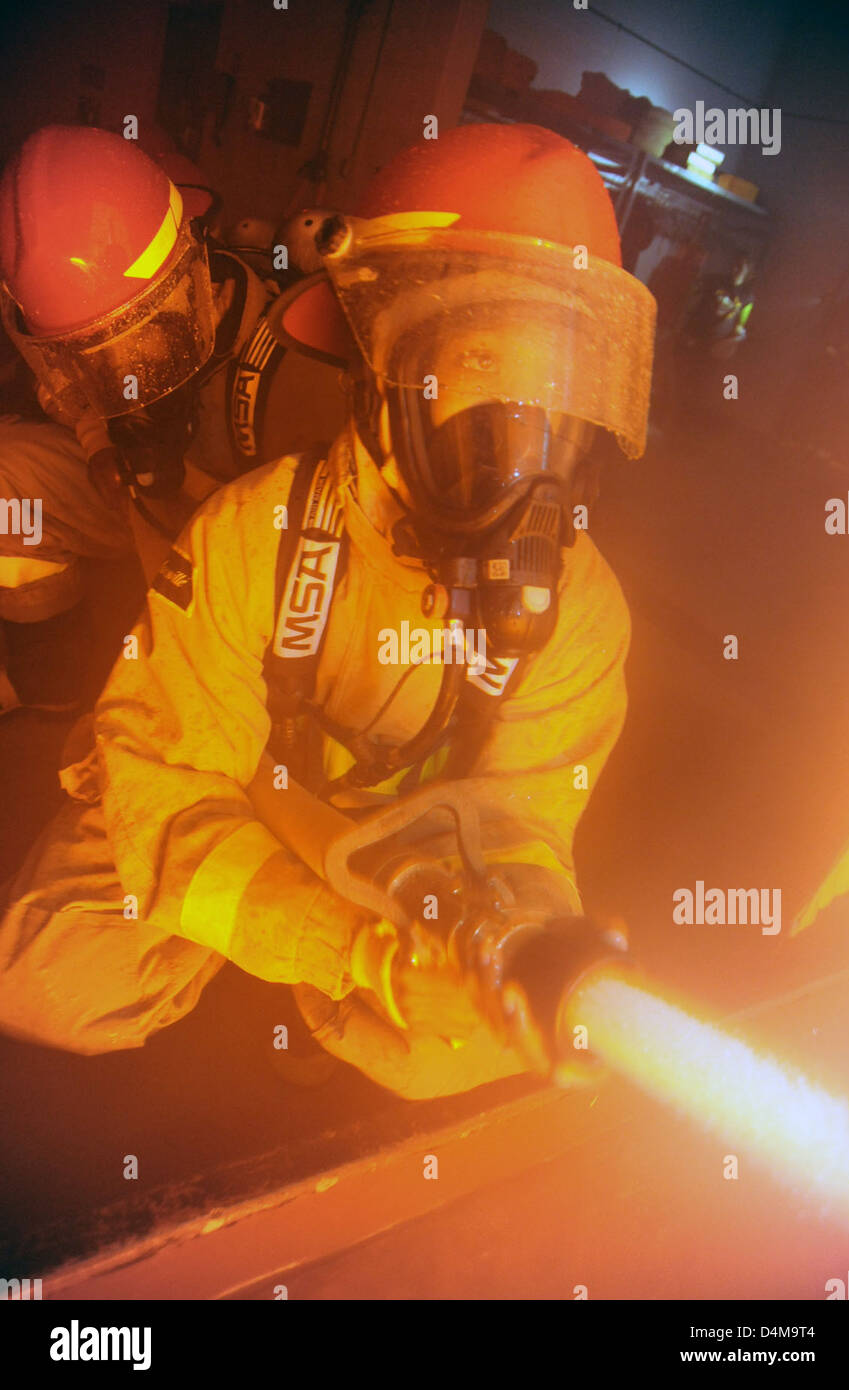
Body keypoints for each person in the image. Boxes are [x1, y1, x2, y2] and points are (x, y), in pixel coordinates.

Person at [0, 123, 656, 1100]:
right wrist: (331, 940)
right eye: (474, 362)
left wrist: (492, 933)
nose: (516, 419)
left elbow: (523, 820)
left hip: (395, 832)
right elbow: (162, 775)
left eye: (545, 373)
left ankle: (307, 980)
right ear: (377, 359)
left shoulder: (584, 613)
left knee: (476, 1035)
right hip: (232, 770)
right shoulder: (249, 529)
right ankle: (258, 964)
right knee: (46, 973)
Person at [0, 124, 346, 714]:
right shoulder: (48, 323)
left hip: (234, 532)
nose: (121, 374)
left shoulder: (291, 363)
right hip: (128, 489)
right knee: (11, 483)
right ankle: (56, 683)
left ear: (195, 265)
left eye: (140, 336)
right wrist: (98, 448)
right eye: (90, 352)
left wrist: (189, 491)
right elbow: (73, 393)